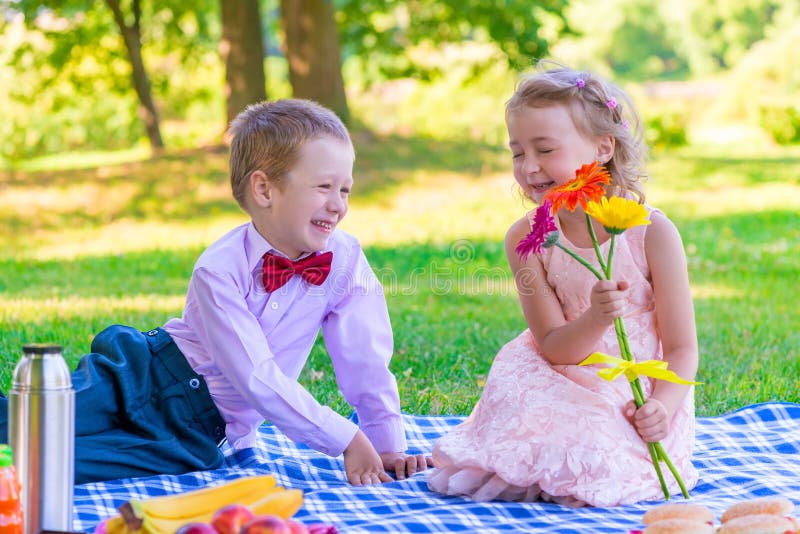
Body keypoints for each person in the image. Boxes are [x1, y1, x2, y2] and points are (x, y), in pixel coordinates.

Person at [0, 99, 430, 486]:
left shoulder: (346, 261)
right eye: (323, 187)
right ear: (265, 190)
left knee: (54, 463)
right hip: (145, 378)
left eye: (345, 189)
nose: (338, 204)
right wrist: (346, 437)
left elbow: (366, 361)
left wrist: (385, 442)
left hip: (194, 435)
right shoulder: (219, 269)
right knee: (30, 418)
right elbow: (256, 376)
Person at [426, 61, 700, 507]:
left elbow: (683, 348)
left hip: (639, 386)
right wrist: (595, 317)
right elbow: (553, 346)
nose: (529, 167)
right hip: (558, 369)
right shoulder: (526, 239)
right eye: (517, 152)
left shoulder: (651, 233)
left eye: (545, 150)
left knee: (601, 438)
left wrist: (663, 409)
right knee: (535, 418)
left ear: (603, 148)